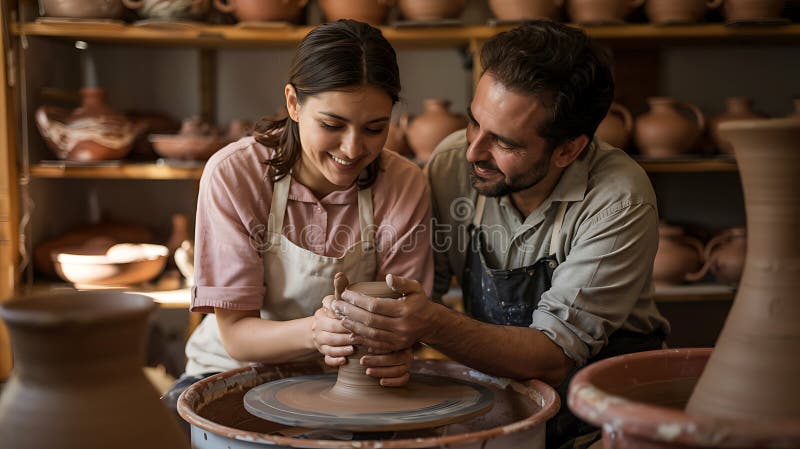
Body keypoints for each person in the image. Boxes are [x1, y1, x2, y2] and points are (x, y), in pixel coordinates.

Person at [327, 21, 670, 449]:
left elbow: (552, 357)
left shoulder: (618, 201)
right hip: (505, 400)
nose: (474, 151)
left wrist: (430, 324)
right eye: (474, 122)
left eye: (504, 143)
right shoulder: (454, 162)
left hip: (604, 416)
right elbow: (422, 290)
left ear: (568, 149)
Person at [162, 19, 434, 422]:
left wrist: (396, 352)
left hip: (350, 380)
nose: (353, 148)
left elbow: (406, 324)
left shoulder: (404, 183)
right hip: (231, 370)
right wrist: (313, 331)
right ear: (293, 103)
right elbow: (236, 334)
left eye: (374, 128)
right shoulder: (236, 175)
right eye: (332, 124)